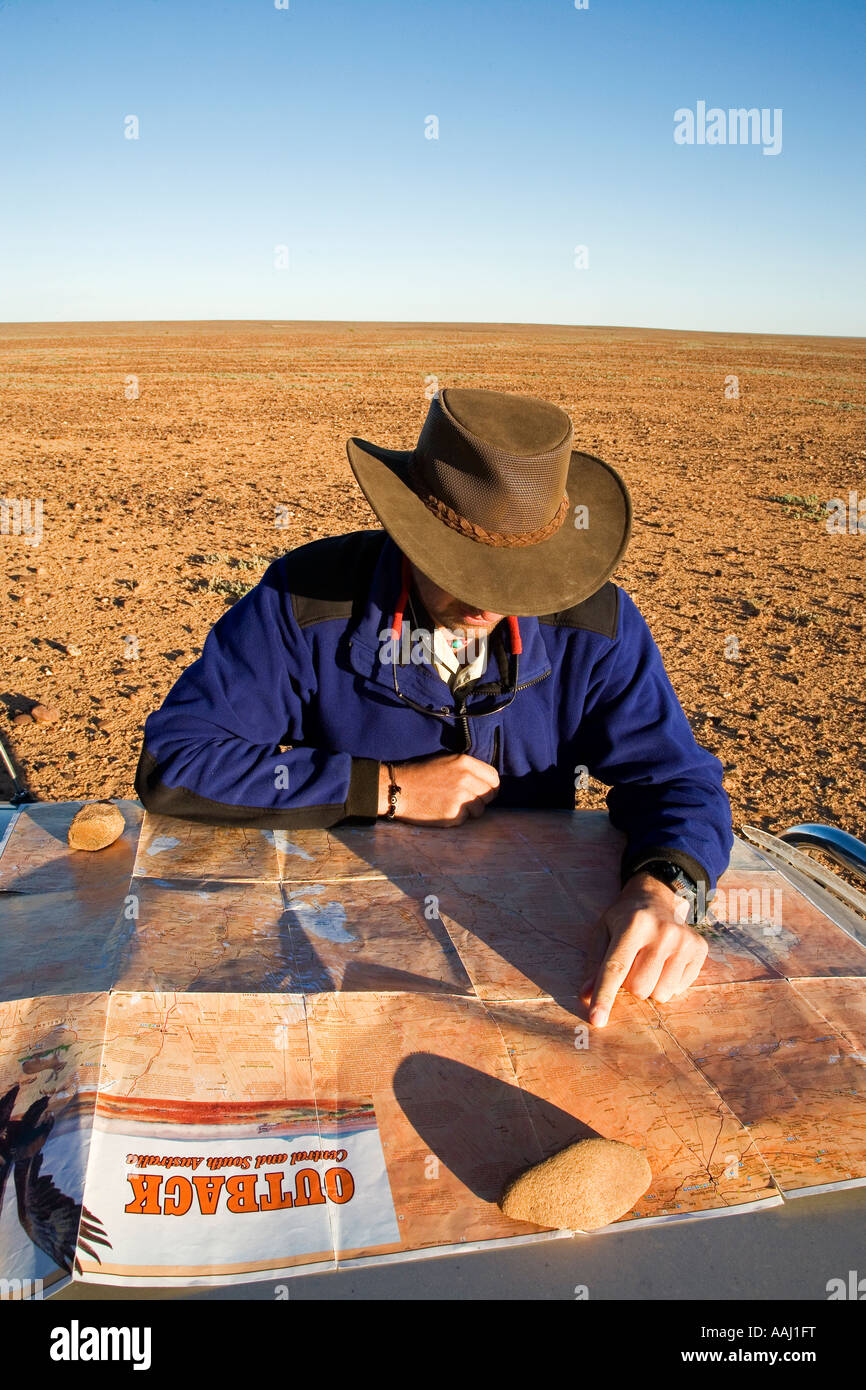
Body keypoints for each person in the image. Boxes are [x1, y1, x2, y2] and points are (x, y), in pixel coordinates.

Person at [136, 387, 733, 1026]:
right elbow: (179, 759)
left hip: (528, 953)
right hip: (334, 940)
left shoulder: (598, 625)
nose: (486, 603)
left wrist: (665, 890)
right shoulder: (307, 599)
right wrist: (383, 789)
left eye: (517, 577)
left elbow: (677, 780)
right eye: (465, 569)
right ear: (410, 530)